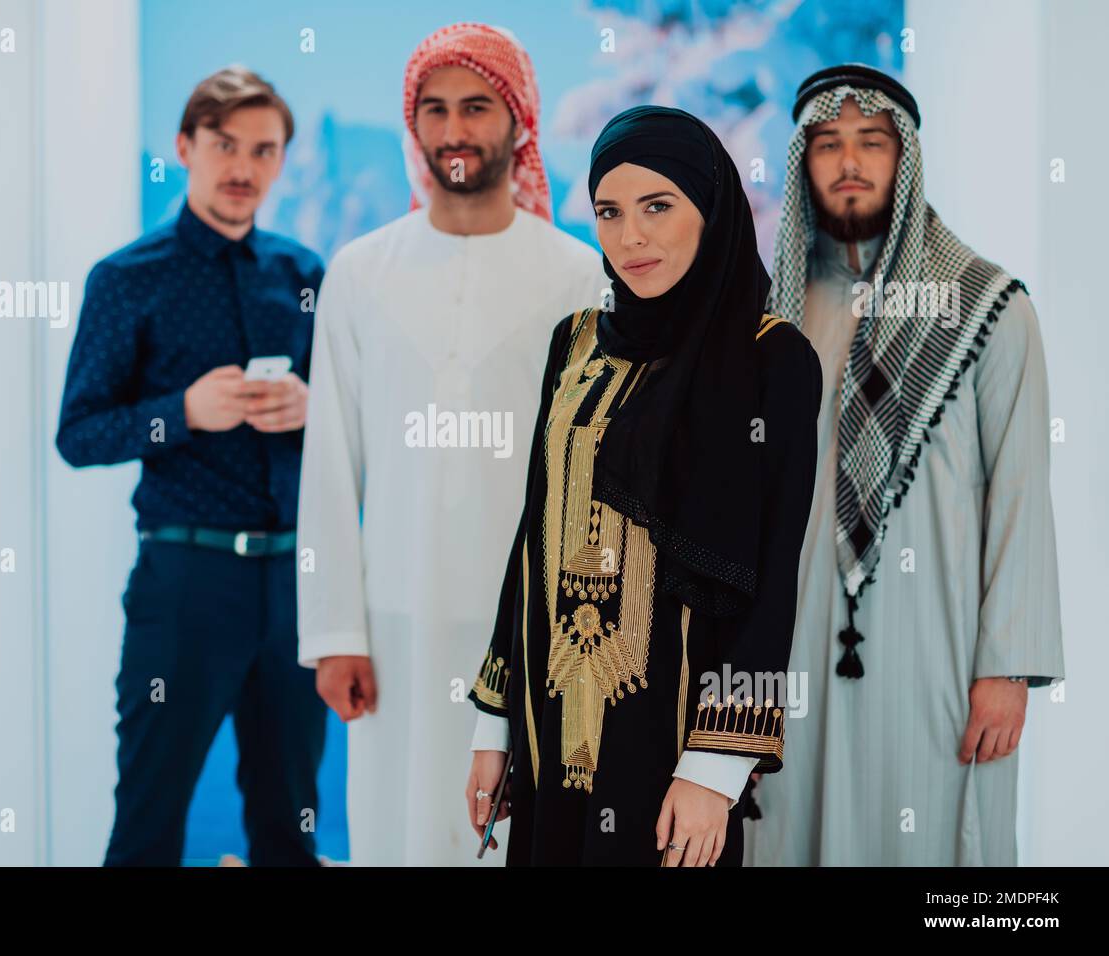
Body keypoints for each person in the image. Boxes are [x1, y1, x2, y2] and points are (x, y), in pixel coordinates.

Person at [465, 105, 822, 866]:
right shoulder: (575, 342)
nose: (631, 236)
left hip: (672, 742)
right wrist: (493, 725)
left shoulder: (771, 360)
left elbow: (771, 576)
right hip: (549, 715)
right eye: (609, 212)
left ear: (711, 210)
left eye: (658, 207)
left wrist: (715, 769)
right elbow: (533, 534)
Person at [296, 22, 606, 866]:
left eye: (476, 106)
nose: (454, 129)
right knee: (399, 833)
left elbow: (592, 477)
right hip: (393, 627)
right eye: (433, 109)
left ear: (519, 123)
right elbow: (329, 465)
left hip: (533, 627)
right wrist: (333, 634)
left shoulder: (577, 275)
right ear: (414, 127)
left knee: (520, 843)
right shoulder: (359, 272)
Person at [746, 65, 1065, 866]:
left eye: (872, 142)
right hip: (791, 653)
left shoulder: (990, 306)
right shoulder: (768, 321)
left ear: (906, 157)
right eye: (827, 144)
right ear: (803, 162)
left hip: (942, 651)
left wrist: (1010, 668)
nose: (849, 162)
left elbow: (1021, 491)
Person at [56, 67, 327, 866]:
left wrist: (313, 409)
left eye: (263, 150)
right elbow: (79, 434)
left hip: (293, 588)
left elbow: (359, 425)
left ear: (282, 161)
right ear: (186, 147)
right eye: (224, 145)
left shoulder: (306, 276)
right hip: (184, 583)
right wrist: (182, 413)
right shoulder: (125, 278)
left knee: (291, 822)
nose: (243, 167)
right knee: (149, 820)